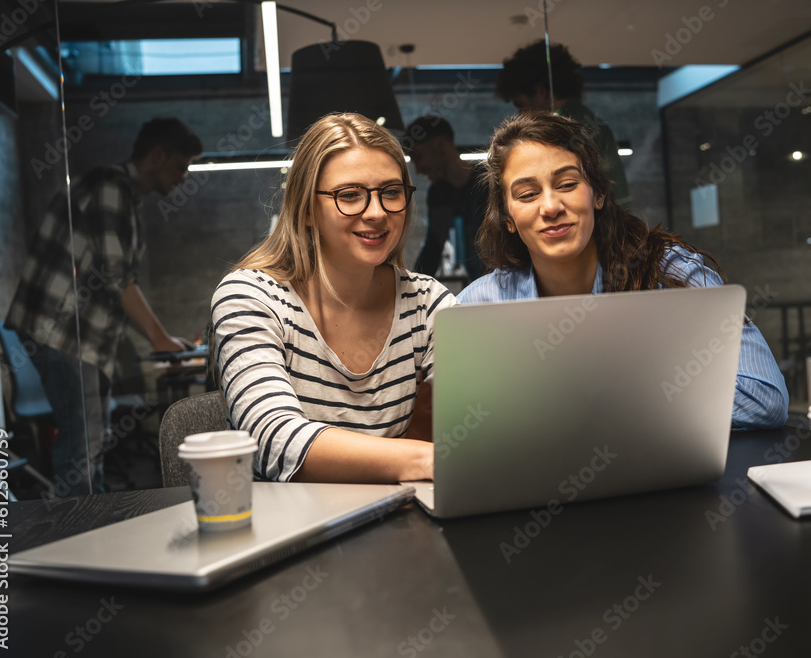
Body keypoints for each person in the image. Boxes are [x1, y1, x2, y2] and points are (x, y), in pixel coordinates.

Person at [458, 113, 788, 429]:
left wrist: (609, 405)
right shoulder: (480, 305)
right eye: (528, 194)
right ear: (508, 219)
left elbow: (763, 398)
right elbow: (462, 425)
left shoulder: (669, 272)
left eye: (568, 184)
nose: (551, 207)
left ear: (598, 195)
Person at [212, 113, 453, 484]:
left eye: (391, 192)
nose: (376, 213)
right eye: (350, 195)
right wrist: (429, 460)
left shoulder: (427, 303)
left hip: (389, 522)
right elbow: (273, 439)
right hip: (287, 530)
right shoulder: (251, 297)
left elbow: (488, 417)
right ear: (307, 209)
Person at [6, 117, 202, 495]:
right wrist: (159, 339)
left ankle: (86, 530)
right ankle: (73, 538)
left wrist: (161, 339)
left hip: (79, 339)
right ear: (157, 155)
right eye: (180, 166)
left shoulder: (124, 195)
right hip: (61, 334)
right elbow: (117, 278)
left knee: (91, 446)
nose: (183, 177)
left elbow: (108, 287)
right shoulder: (111, 186)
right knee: (81, 451)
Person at [497, 41, 630, 208]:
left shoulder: (572, 129)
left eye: (521, 104)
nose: (520, 114)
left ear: (541, 93)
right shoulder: (584, 122)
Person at [405, 115, 487, 281]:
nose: (419, 170)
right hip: (477, 285)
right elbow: (434, 246)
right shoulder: (439, 193)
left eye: (419, 157)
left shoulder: (489, 183)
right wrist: (411, 288)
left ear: (440, 147)